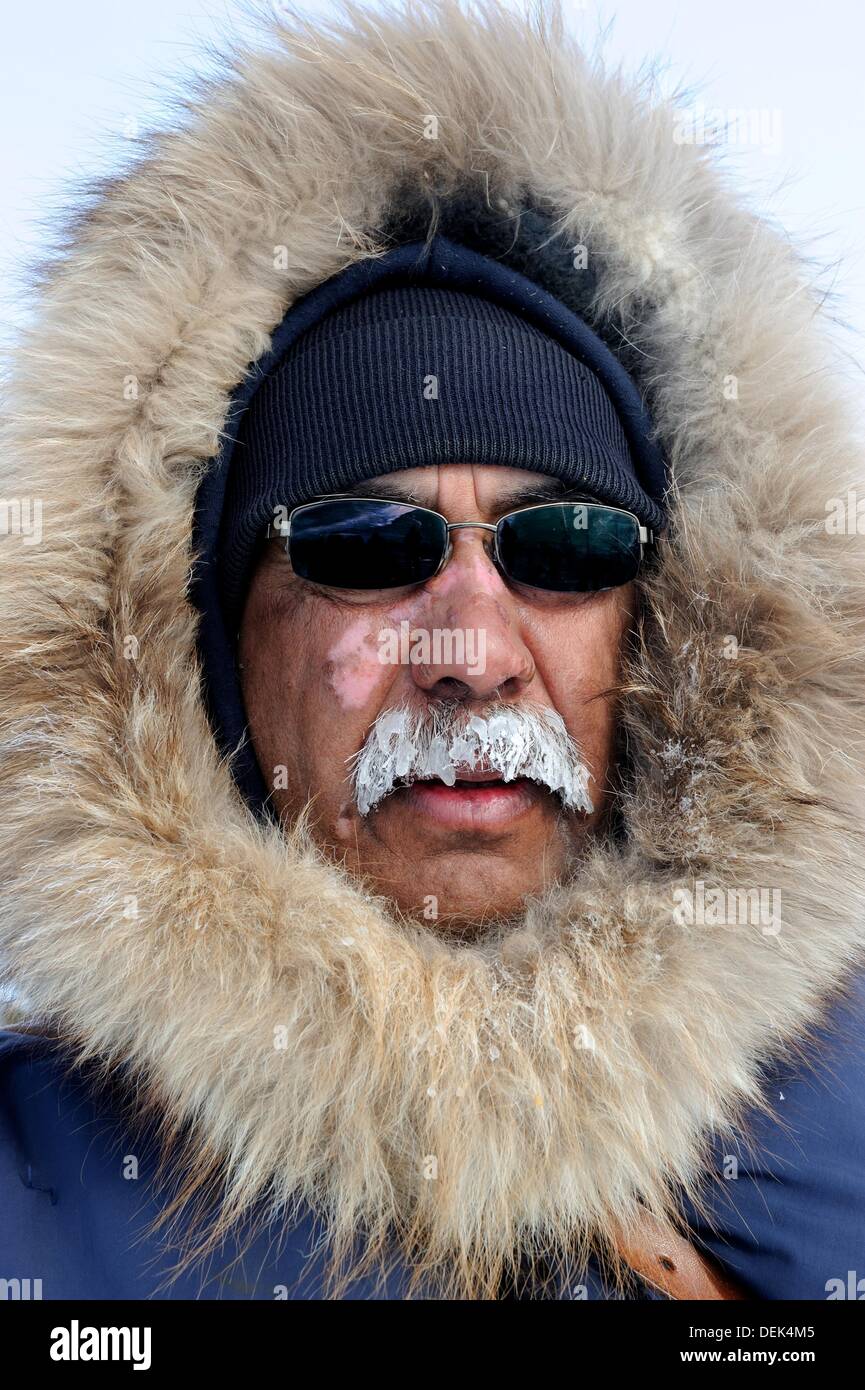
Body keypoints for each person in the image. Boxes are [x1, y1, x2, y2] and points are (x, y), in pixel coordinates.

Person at [1, 0, 863, 1301]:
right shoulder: (34, 1197)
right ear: (209, 650)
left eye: (565, 544)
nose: (471, 649)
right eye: (364, 544)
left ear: (675, 633)